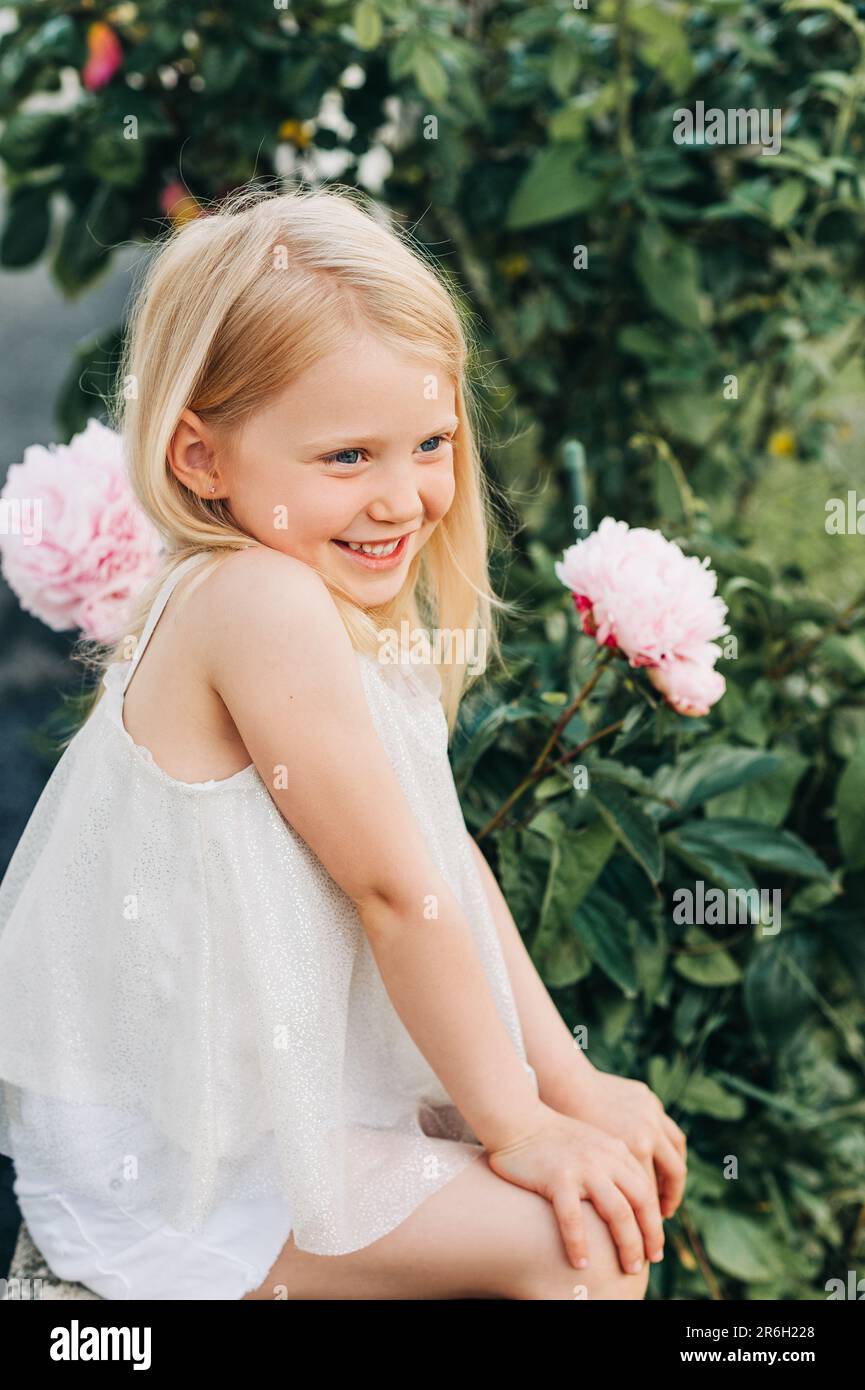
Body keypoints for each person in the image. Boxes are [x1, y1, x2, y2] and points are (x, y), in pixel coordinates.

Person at [0, 183, 686, 1301]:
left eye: (428, 442)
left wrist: (567, 1081)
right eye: (345, 457)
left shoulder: (323, 595)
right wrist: (518, 1123)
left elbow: (436, 854)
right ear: (200, 457)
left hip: (246, 1092)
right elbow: (387, 887)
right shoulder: (254, 602)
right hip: (190, 1151)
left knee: (587, 1191)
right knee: (578, 1250)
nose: (403, 497)